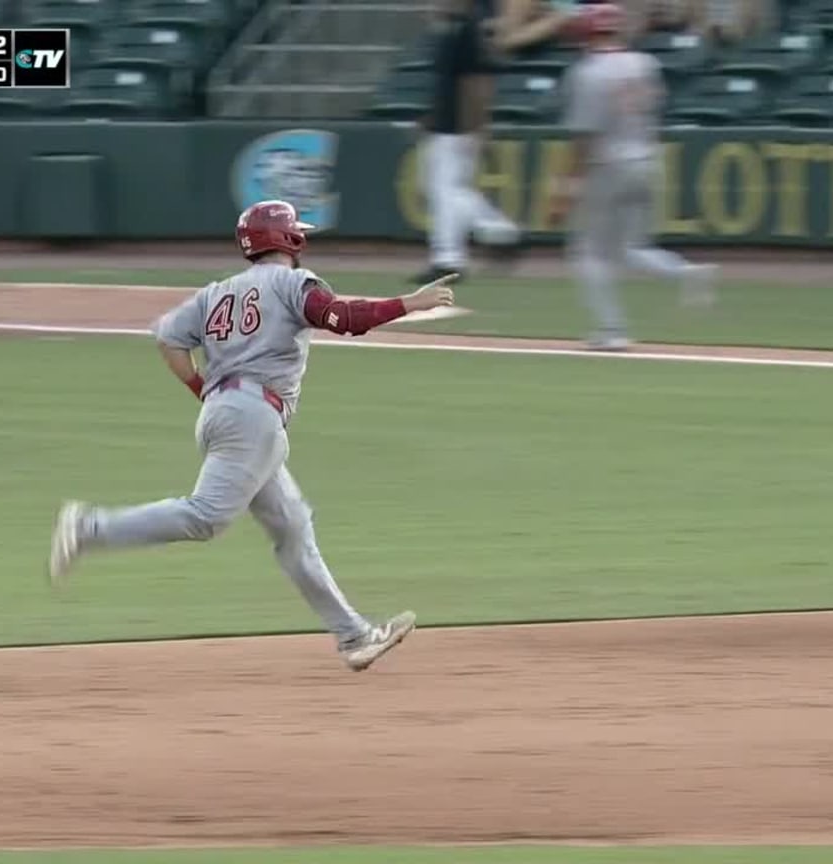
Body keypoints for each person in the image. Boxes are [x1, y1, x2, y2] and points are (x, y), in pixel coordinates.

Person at [48, 200, 456, 672]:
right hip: (254, 418)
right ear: (289, 239)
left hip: (228, 413)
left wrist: (204, 389)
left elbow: (168, 339)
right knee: (206, 518)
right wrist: (410, 303)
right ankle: (88, 527)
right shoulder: (291, 283)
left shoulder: (216, 293)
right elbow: (344, 319)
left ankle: (355, 636)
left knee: (293, 529)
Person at [552, 2, 717, 351]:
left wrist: (565, 190)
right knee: (632, 248)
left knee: (588, 253)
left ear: (587, 33)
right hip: (646, 158)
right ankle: (688, 273)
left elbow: (584, 139)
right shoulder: (646, 63)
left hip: (608, 165)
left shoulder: (588, 72)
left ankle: (611, 330)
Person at [414, 0, 524, 285]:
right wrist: (432, 116)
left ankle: (451, 258)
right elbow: (448, 82)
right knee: (443, 191)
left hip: (458, 130)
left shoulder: (469, 29)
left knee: (447, 192)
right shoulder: (452, 29)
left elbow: (479, 83)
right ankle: (493, 234)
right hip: (446, 126)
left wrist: (475, 127)